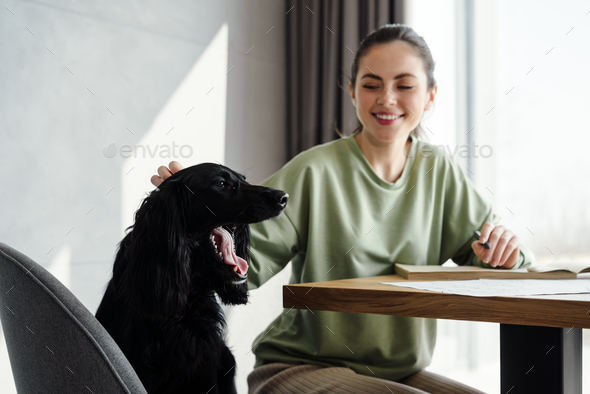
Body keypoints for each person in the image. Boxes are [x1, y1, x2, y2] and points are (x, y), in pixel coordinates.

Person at [152, 24, 534, 394]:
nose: (386, 99)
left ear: (431, 95)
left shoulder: (441, 171)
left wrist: (504, 252)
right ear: (351, 91)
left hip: (400, 373)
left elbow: (498, 263)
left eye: (404, 85)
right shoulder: (314, 171)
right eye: (371, 85)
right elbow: (237, 270)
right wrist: (194, 214)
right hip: (296, 369)